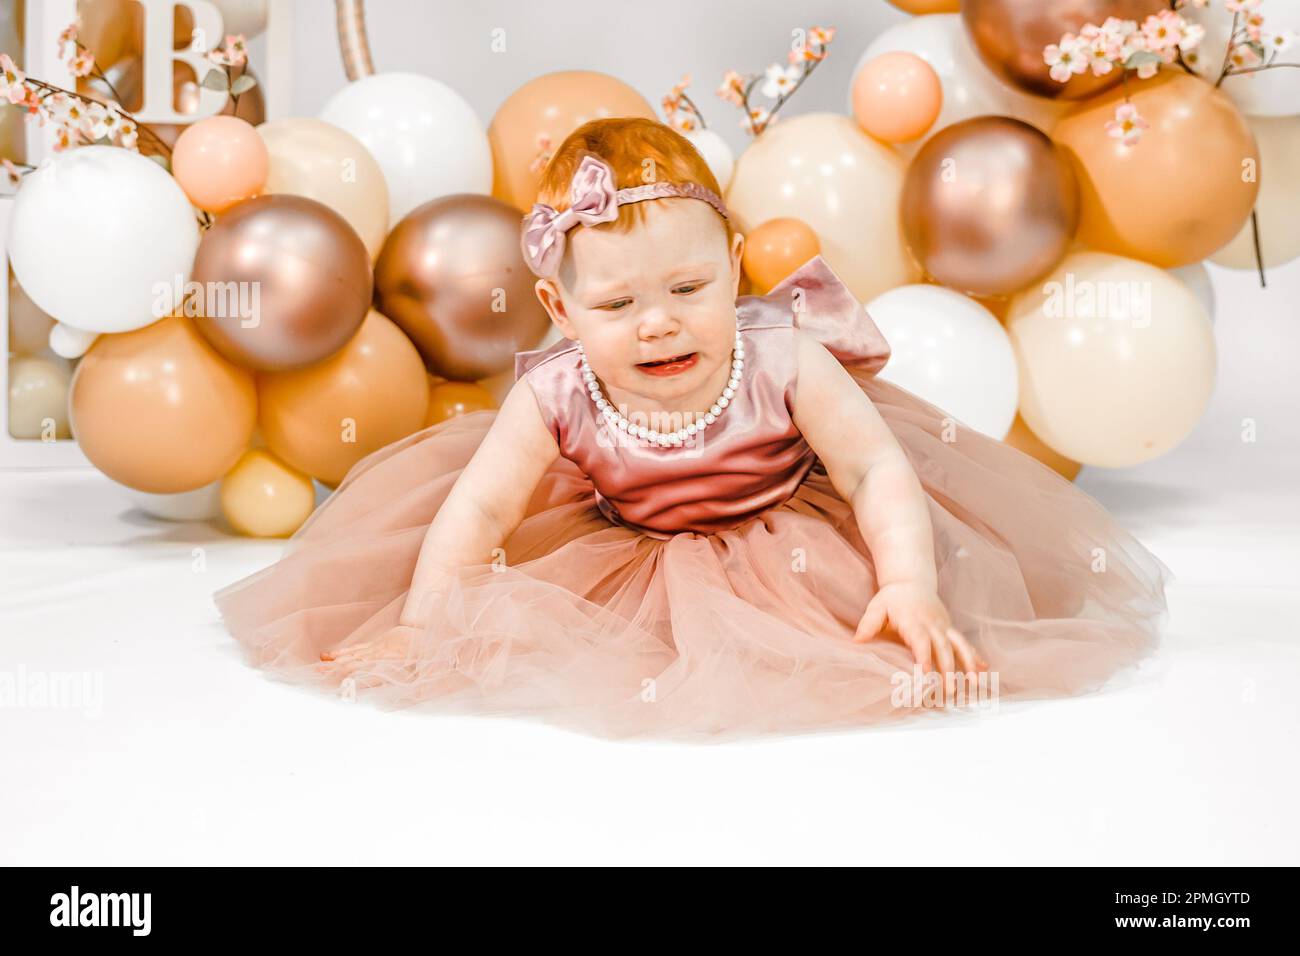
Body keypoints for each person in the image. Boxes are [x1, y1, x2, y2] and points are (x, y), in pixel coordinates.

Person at [214, 117, 1173, 741]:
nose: (659, 321)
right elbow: (478, 510)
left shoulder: (785, 357)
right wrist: (426, 623)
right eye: (619, 301)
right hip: (629, 539)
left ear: (737, 267)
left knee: (881, 636)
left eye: (689, 288)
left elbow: (878, 472)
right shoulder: (555, 394)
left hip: (789, 532)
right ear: (558, 305)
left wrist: (910, 584)